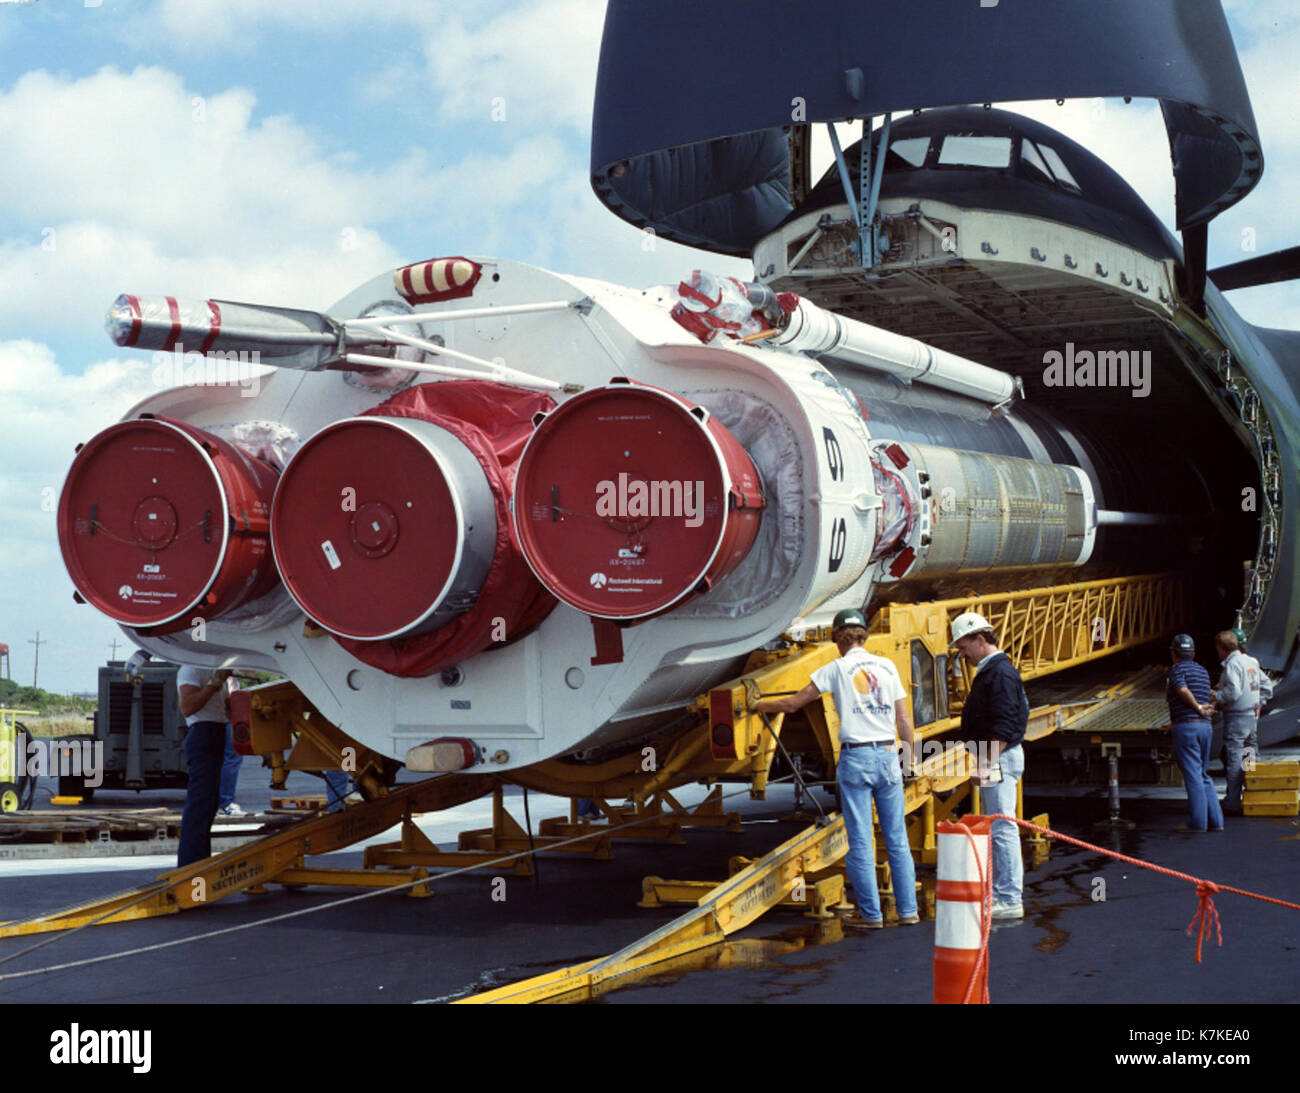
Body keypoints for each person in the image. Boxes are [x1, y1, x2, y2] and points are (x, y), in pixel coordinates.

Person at [753, 608, 919, 929]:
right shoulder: (887, 667)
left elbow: (792, 705)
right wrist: (908, 762)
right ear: (864, 635)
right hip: (888, 755)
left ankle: (871, 915)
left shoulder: (836, 668)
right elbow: (904, 720)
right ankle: (909, 911)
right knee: (897, 840)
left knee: (860, 840)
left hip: (857, 759)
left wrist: (758, 705)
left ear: (837, 638)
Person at [950, 611, 1029, 920]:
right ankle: (1002, 894)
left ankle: (1009, 898)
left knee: (1002, 828)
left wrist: (988, 761)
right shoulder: (995, 672)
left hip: (999, 758)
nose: (962, 654)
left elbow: (1007, 721)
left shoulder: (1000, 673)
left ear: (980, 639)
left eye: (963, 646)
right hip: (994, 756)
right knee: (998, 827)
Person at [1164, 633, 1223, 832]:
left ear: (1174, 653)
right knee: (1203, 774)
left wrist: (1196, 708)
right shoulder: (1203, 671)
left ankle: (1197, 823)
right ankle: (1216, 821)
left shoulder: (1176, 669)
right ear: (1193, 653)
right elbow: (1201, 696)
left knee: (1192, 775)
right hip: (1204, 727)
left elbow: (1181, 690)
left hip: (1188, 728)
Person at [177, 665, 233, 866]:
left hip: (216, 731)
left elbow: (228, 709)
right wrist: (213, 685)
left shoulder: (214, 671)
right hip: (202, 732)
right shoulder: (191, 669)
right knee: (200, 804)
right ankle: (190, 866)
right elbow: (187, 706)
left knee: (208, 804)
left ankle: (199, 862)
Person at [1211, 629, 1271, 816]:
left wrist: (1216, 696)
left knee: (1234, 760)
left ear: (1222, 648)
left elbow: (1234, 692)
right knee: (1250, 755)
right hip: (1251, 718)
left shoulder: (1232, 665)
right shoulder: (1250, 662)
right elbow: (1267, 686)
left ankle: (1232, 802)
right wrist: (1258, 702)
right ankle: (1252, 795)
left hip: (1237, 718)